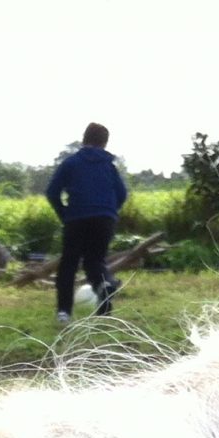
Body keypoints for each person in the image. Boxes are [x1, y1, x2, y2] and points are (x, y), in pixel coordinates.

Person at [44, 122, 129, 322]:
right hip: (104, 219)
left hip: (76, 218)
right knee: (95, 261)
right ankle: (105, 287)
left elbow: (52, 192)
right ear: (105, 142)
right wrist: (109, 211)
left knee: (69, 264)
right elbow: (122, 194)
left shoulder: (71, 163)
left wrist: (63, 213)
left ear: (84, 138)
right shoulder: (109, 166)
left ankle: (64, 311)